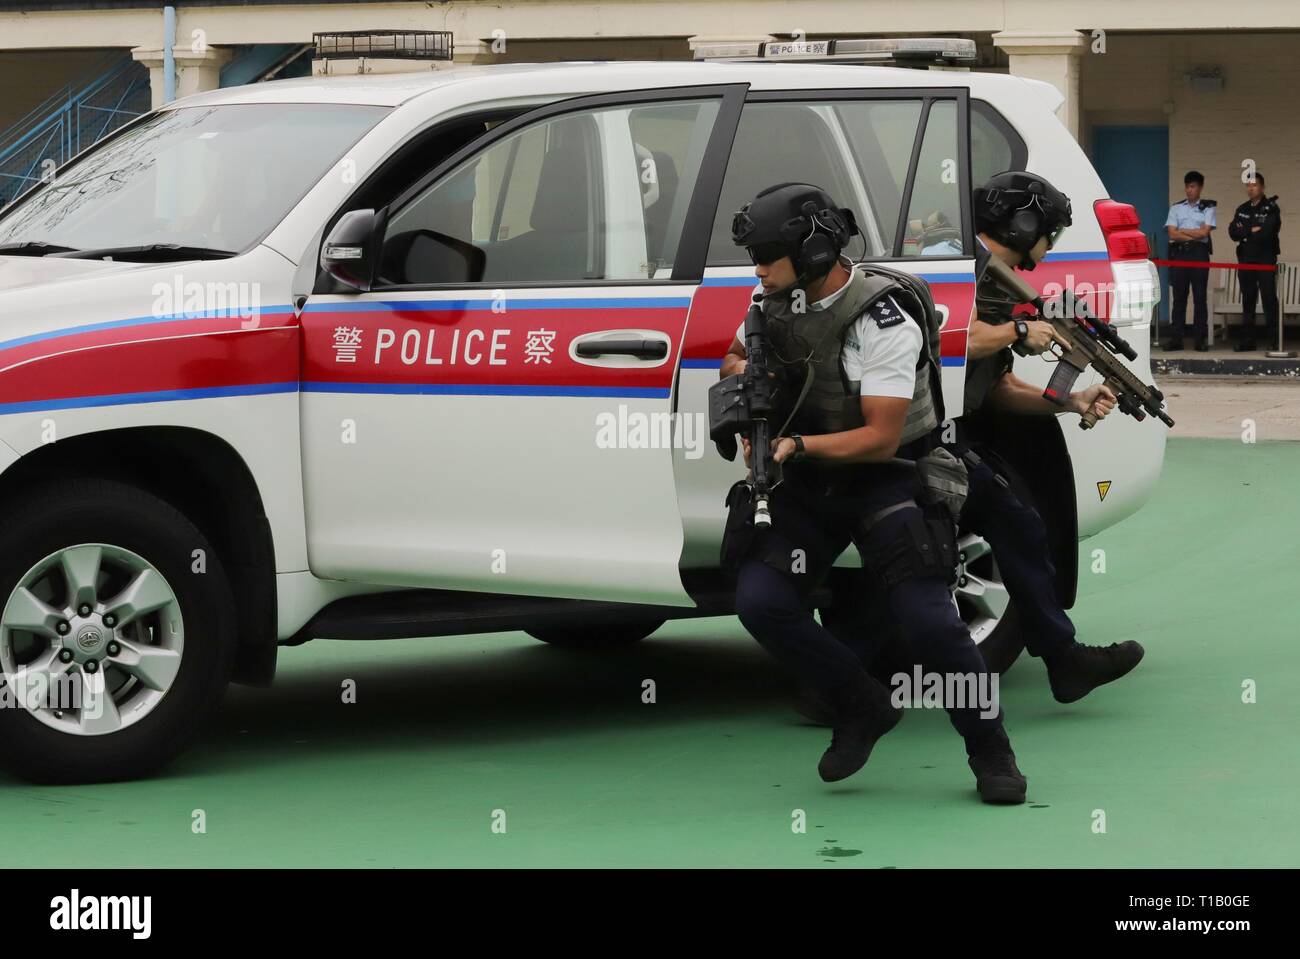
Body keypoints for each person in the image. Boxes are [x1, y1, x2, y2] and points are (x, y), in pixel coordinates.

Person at [721, 182, 1028, 804]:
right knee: (761, 600)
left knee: (929, 624)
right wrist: (752, 397)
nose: (756, 270)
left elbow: (882, 437)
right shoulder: (773, 299)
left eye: (765, 257)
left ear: (809, 255)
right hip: (810, 482)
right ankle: (861, 704)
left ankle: (990, 749)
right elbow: (735, 356)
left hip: (888, 476)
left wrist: (794, 446)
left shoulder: (881, 317)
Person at [816, 171, 1145, 716]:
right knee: (997, 531)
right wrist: (1020, 331)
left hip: (942, 437)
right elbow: (940, 338)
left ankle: (1062, 658)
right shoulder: (952, 264)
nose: (1049, 245)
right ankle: (1058, 661)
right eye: (1049, 232)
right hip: (906, 438)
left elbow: (994, 390)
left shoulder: (994, 285)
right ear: (1024, 224)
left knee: (1019, 525)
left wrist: (1070, 399)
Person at [1228, 172, 1282, 352]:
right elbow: (1233, 232)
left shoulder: (1271, 208)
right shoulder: (1242, 208)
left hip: (1265, 258)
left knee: (1269, 299)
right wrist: (1252, 231)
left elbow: (1268, 233)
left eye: (1254, 185)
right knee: (1248, 300)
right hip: (1246, 258)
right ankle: (1248, 340)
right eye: (1248, 185)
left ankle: (1275, 340)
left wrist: (1246, 231)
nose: (1250, 189)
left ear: (1262, 187)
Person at [1163, 171, 1217, 352]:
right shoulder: (1176, 208)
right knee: (1179, 297)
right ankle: (1176, 338)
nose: (1189, 190)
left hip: (1199, 254)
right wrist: (1192, 233)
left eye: (1193, 186)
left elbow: (1205, 233)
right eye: (1187, 186)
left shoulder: (1208, 208)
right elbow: (1171, 233)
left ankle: (1199, 339)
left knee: (1199, 297)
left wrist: (1183, 231)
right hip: (1180, 254)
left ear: (1200, 188)